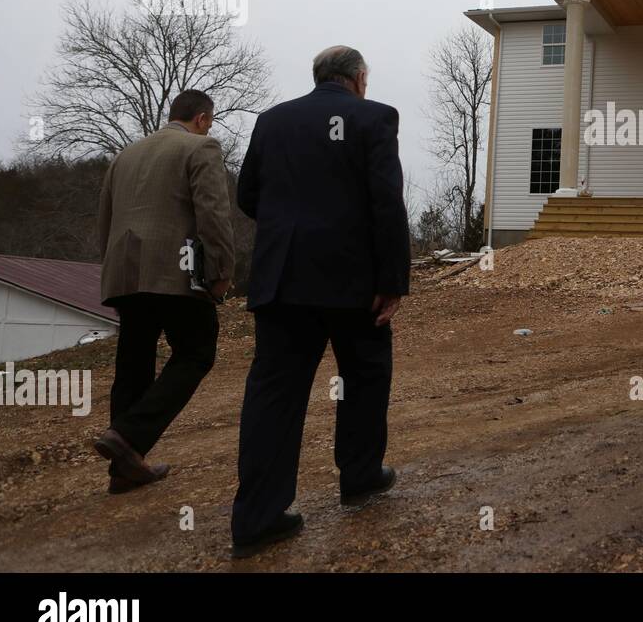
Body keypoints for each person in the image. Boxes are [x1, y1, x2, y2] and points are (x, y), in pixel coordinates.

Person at [230, 45, 410, 558]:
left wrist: (292, 221)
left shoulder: (272, 121)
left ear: (318, 77)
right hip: (354, 280)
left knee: (273, 395)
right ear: (358, 79)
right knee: (366, 374)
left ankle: (257, 518)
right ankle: (359, 475)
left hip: (283, 279)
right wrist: (393, 278)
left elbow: (248, 195)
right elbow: (386, 201)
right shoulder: (375, 117)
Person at [95, 89, 234, 494]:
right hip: (175, 273)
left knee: (133, 362)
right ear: (203, 119)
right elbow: (213, 213)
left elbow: (105, 221)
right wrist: (221, 271)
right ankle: (128, 436)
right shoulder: (201, 146)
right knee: (196, 351)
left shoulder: (125, 155)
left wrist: (111, 269)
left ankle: (124, 469)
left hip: (124, 273)